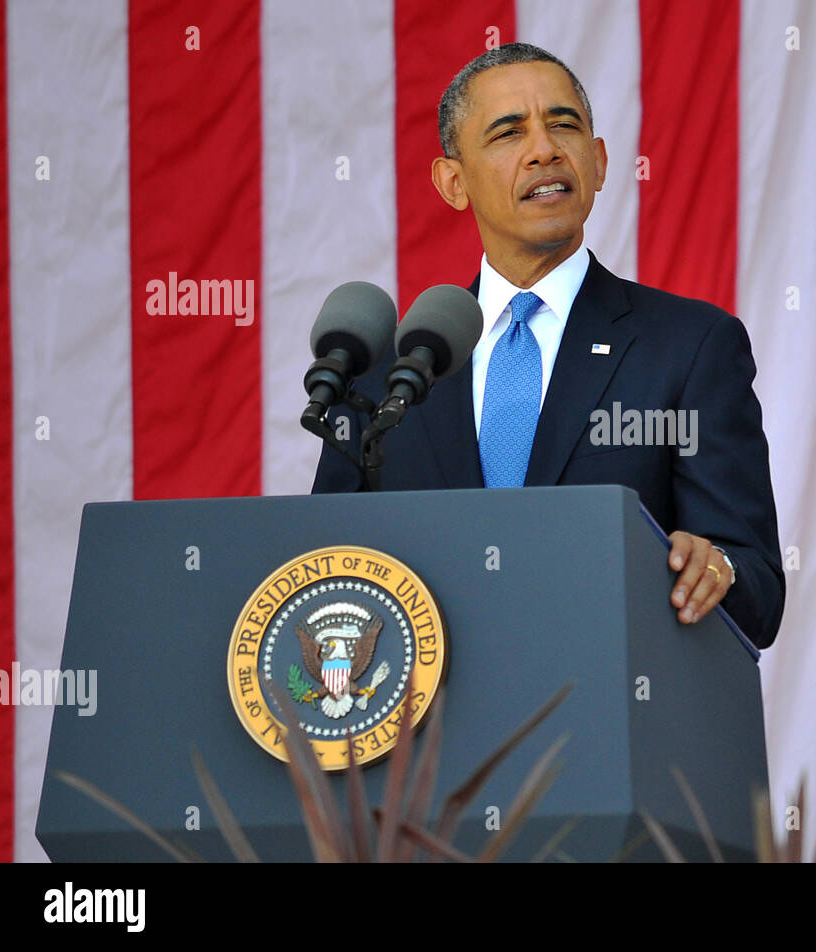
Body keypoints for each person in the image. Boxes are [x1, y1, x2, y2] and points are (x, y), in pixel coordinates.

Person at [312, 43, 784, 649]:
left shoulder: (690, 347)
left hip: (613, 717)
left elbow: (758, 590)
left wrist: (716, 569)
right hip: (425, 734)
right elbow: (324, 572)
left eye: (564, 125)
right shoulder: (387, 373)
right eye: (509, 133)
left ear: (599, 160)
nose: (544, 149)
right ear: (453, 182)